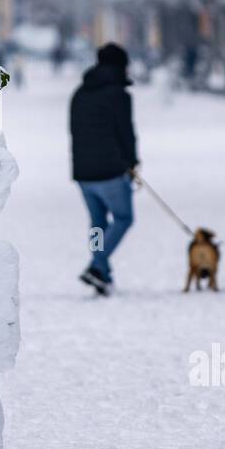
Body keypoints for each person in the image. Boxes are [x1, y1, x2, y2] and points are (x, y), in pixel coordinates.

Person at [69, 42, 138, 295]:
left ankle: (102, 274)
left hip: (83, 173)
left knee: (97, 224)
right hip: (111, 171)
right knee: (123, 218)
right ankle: (97, 265)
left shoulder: (80, 92)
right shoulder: (119, 95)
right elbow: (126, 133)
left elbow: (75, 131)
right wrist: (131, 163)